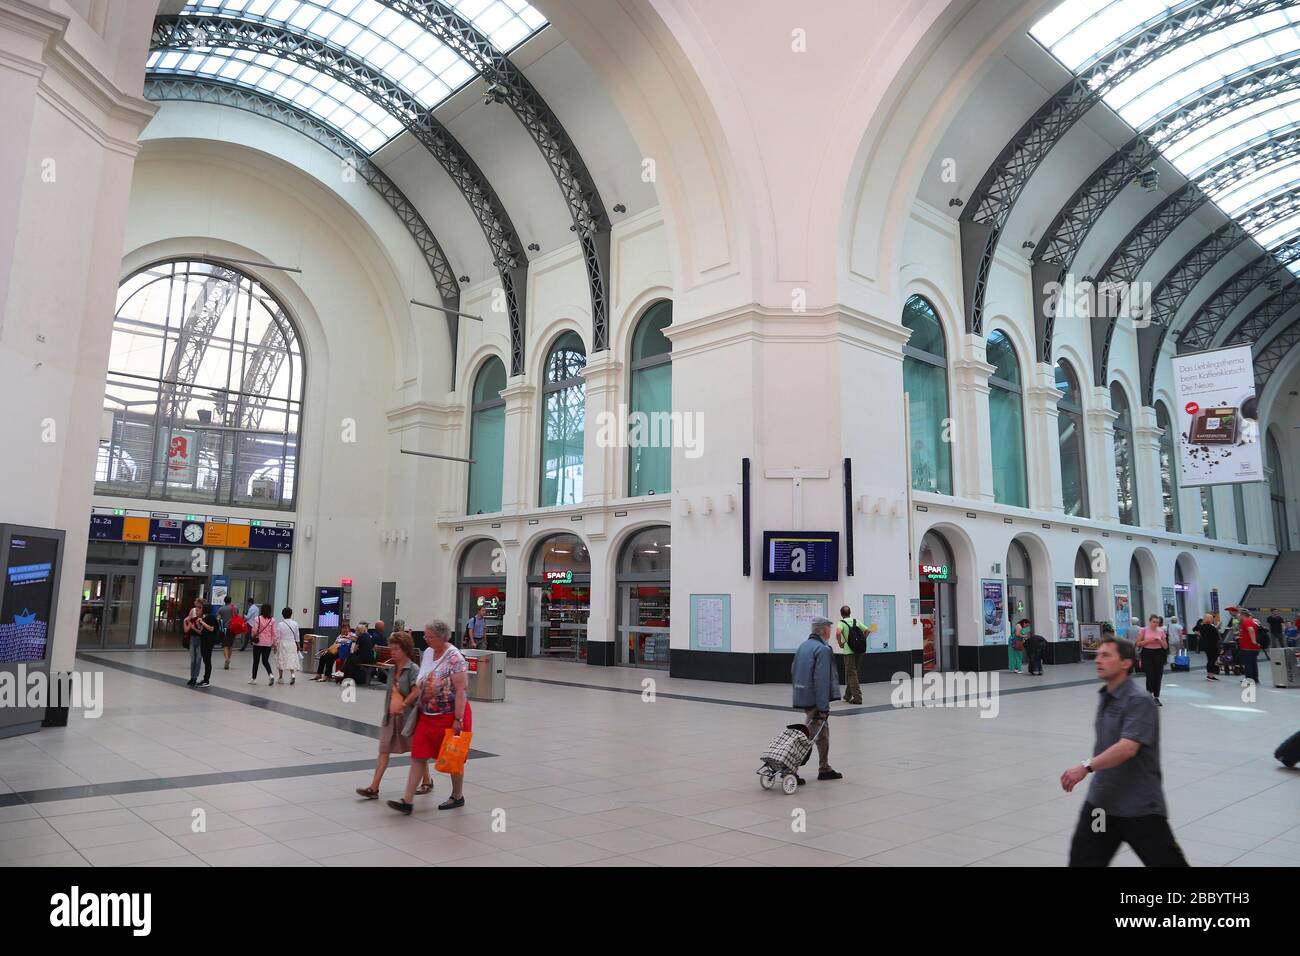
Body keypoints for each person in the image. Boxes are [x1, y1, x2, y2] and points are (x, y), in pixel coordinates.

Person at [1060, 635, 1188, 867]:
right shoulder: (1106, 696)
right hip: (1102, 804)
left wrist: (1085, 766)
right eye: (1098, 655)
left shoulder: (1139, 701)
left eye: (1106, 655)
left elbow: (1128, 747)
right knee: (1083, 862)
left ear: (1126, 663)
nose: (1098, 660)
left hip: (1139, 808)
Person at [389, 621, 472, 814]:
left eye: (430, 636)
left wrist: (458, 719)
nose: (425, 638)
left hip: (451, 714)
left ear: (442, 637)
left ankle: (457, 795)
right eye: (425, 635)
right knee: (418, 754)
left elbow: (461, 690)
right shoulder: (427, 653)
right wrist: (405, 702)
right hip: (427, 715)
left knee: (453, 757)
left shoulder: (455, 658)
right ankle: (407, 801)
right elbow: (421, 683)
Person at [356, 632, 421, 800]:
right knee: (384, 750)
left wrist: (404, 704)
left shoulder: (412, 669)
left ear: (405, 650)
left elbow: (417, 691)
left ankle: (427, 779)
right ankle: (374, 787)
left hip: (408, 719)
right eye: (392, 649)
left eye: (397, 649)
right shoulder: (392, 669)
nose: (393, 652)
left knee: (416, 751)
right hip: (390, 718)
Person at [790, 616, 842, 783]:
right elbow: (821, 679)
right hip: (815, 699)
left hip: (803, 694)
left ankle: (824, 767)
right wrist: (823, 706)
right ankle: (791, 769)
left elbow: (793, 669)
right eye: (829, 628)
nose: (831, 631)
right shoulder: (823, 649)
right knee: (808, 736)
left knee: (823, 733)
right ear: (823, 630)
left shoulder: (803, 646)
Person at [1135, 614, 1169, 706]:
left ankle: (1156, 697)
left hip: (1158, 653)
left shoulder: (1161, 631)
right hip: (1147, 653)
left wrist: (1160, 641)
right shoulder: (1143, 630)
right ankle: (1148, 695)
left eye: (1157, 622)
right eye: (1154, 622)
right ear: (1150, 621)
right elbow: (1138, 643)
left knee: (1158, 675)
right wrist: (1150, 641)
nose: (1155, 624)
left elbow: (1165, 646)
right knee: (1150, 675)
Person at [835, 605, 866, 705]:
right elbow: (867, 630)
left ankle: (858, 697)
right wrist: (863, 640)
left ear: (841, 613)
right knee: (852, 673)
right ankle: (847, 696)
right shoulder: (855, 621)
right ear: (850, 613)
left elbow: (838, 633)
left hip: (849, 652)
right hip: (859, 651)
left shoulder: (841, 622)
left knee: (852, 674)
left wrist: (840, 643)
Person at [248, 603, 277, 685]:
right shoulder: (272, 620)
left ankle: (253, 679)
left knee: (256, 661)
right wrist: (275, 644)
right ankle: (270, 674)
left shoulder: (258, 619)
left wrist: (252, 637)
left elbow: (254, 630)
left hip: (258, 643)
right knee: (265, 661)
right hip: (268, 644)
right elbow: (274, 633)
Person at [274, 607, 303, 685]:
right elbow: (297, 636)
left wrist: (275, 646)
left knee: (281, 660)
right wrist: (298, 646)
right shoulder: (295, 623)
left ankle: (280, 678)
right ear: (291, 614)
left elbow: (278, 636)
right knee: (291, 659)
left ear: (282, 615)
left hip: (282, 643)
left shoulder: (280, 624)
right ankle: (292, 675)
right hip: (292, 643)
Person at [1235, 608, 1261, 687]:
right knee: (1253, 663)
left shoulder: (1246, 621)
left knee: (1248, 664)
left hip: (1248, 647)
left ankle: (1249, 679)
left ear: (1242, 615)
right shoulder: (1252, 621)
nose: (1238, 616)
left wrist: (1253, 641)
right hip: (1252, 648)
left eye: (1239, 614)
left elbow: (1251, 629)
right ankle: (1255, 678)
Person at [184, 598, 207, 687]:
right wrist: (186, 622)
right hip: (193, 638)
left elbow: (201, 630)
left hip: (201, 640)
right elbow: (187, 625)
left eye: (199, 607)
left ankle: (195, 677)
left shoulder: (204, 617)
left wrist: (194, 626)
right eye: (196, 606)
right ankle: (192, 677)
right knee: (193, 659)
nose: (196, 609)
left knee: (198, 659)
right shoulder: (193, 614)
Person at [1193, 613, 1221, 680]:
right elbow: (1217, 638)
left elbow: (1194, 629)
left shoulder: (1201, 626)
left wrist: (1200, 634)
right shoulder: (1212, 628)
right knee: (1212, 660)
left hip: (1205, 645)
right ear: (1211, 620)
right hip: (1213, 646)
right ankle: (1210, 676)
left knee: (1209, 660)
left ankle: (1210, 675)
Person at [216, 595, 235, 670]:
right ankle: (228, 659)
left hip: (224, 628)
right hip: (233, 628)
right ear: (230, 601)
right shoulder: (235, 608)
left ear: (224, 601)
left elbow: (218, 618)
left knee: (225, 645)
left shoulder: (221, 609)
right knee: (230, 645)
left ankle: (226, 658)